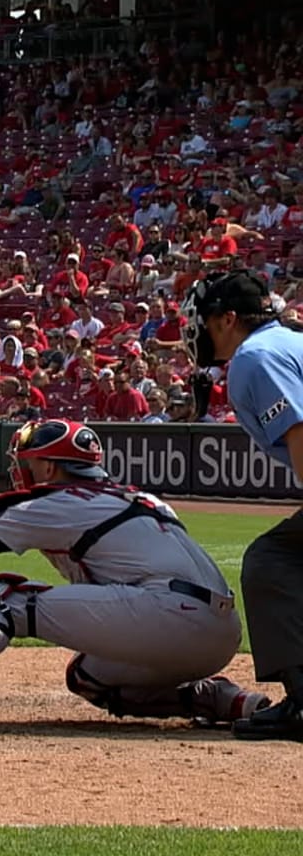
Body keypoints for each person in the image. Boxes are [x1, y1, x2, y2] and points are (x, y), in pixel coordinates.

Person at [0, 419, 270, 731]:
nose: (21, 469)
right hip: (221, 632)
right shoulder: (141, 498)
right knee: (90, 675)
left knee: (7, 601)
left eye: (30, 461)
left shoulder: (62, 501)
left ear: (51, 467)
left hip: (168, 614)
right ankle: (220, 698)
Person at [182, 270, 303, 740]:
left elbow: (299, 431)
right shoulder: (288, 341)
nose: (199, 329)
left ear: (228, 319)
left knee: (272, 560)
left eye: (207, 320)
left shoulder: (255, 357)